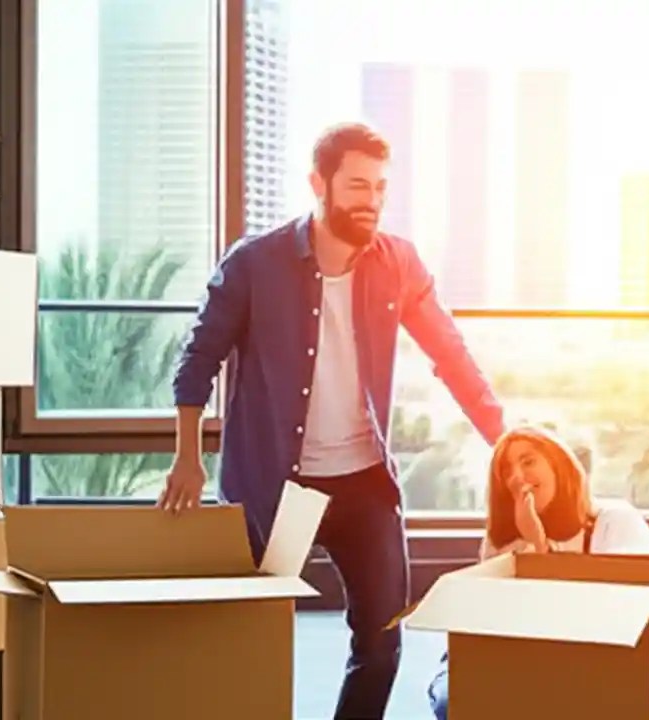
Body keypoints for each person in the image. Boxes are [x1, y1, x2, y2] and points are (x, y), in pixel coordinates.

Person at [159, 122, 506, 720]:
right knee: (252, 636)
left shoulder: (398, 263)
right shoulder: (255, 264)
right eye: (356, 186)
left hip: (363, 482)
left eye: (378, 187)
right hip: (277, 485)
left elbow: (450, 354)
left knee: (381, 640)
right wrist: (187, 456)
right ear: (319, 184)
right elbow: (199, 358)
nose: (369, 200)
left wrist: (506, 438)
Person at [426, 425, 649, 719]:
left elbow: (617, 619)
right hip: (507, 655)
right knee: (453, 700)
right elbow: (495, 624)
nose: (517, 477)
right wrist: (528, 544)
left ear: (558, 464)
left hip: (587, 657)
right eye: (506, 471)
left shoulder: (613, 522)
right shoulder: (503, 538)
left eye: (528, 461)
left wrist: (540, 546)